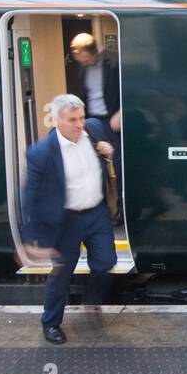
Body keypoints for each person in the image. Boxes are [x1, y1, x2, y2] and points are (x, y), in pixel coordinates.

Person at [22, 94, 118, 345]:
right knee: (62, 273)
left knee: (106, 261)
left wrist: (108, 152)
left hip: (96, 214)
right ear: (56, 121)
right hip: (66, 221)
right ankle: (51, 323)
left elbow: (111, 152)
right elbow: (29, 197)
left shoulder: (94, 129)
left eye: (82, 117)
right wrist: (31, 238)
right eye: (72, 119)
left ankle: (90, 295)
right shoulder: (41, 153)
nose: (79, 124)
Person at [70, 33, 123, 216]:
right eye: (80, 61)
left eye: (86, 60)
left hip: (114, 120)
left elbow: (132, 90)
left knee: (118, 164)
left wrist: (121, 112)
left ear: (95, 52)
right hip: (93, 122)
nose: (83, 64)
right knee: (94, 166)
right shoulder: (83, 68)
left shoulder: (115, 61)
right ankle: (100, 209)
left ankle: (122, 209)